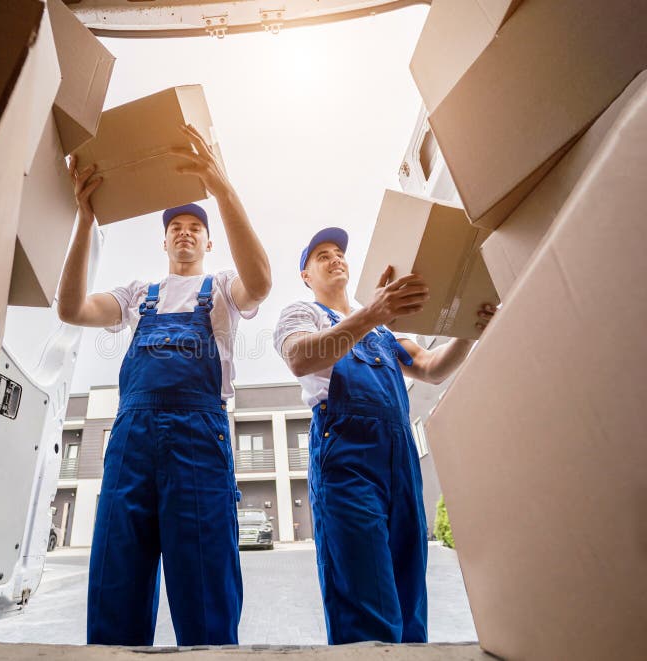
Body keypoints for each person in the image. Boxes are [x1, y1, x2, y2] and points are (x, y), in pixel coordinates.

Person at [58, 124, 271, 646]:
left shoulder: (222, 288)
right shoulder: (139, 294)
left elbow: (261, 282)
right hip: (130, 440)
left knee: (205, 587)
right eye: (175, 226)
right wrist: (85, 221)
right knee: (117, 577)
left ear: (208, 240)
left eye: (195, 226)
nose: (184, 232)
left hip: (198, 439)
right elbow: (72, 308)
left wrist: (221, 190)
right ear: (164, 239)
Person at [273, 227, 494, 645]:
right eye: (322, 256)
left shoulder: (384, 332)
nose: (335, 258)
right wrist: (372, 314)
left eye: (339, 252)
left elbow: (429, 367)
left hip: (399, 456)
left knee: (409, 591)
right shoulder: (303, 313)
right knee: (364, 592)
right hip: (346, 455)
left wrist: (469, 331)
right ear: (306, 275)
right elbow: (300, 357)